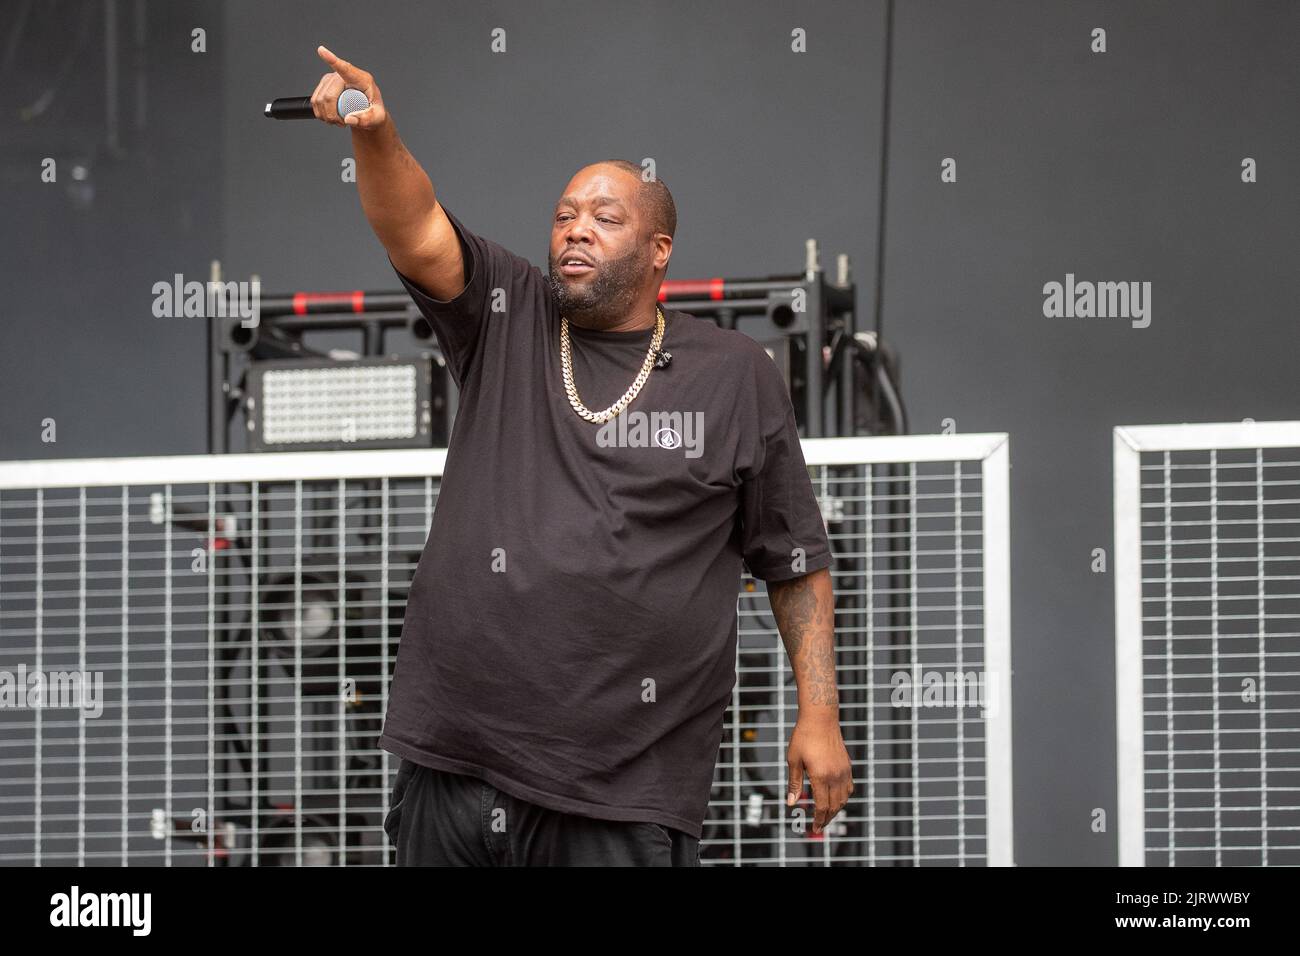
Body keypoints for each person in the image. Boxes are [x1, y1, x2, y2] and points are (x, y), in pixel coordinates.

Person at [310, 45, 853, 866]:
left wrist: (818, 715)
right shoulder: (507, 313)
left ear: (659, 250)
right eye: (565, 214)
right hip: (454, 762)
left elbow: (795, 560)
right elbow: (415, 226)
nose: (576, 231)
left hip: (619, 784)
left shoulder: (735, 375)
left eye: (604, 217)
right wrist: (375, 135)